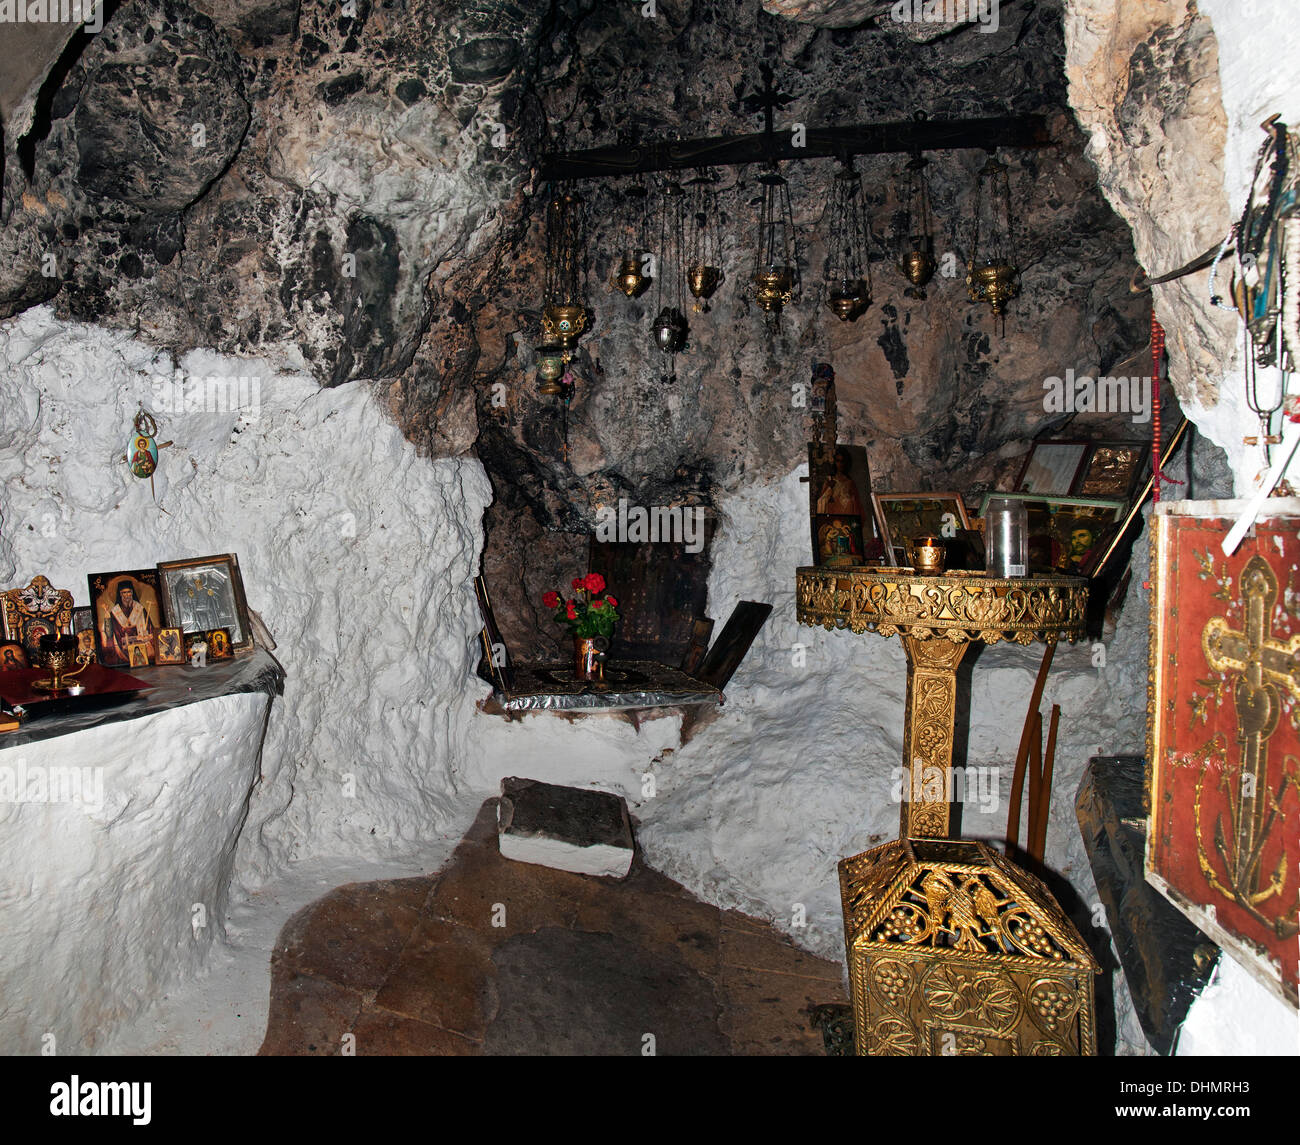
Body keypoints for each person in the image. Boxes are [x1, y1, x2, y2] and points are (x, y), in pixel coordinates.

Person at [106, 579, 155, 664]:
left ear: (132, 593)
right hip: (123, 646)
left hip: (141, 644)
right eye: (123, 593)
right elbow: (112, 633)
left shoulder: (140, 609)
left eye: (129, 592)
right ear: (120, 594)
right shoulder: (115, 612)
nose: (127, 595)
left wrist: (147, 635)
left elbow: (150, 628)